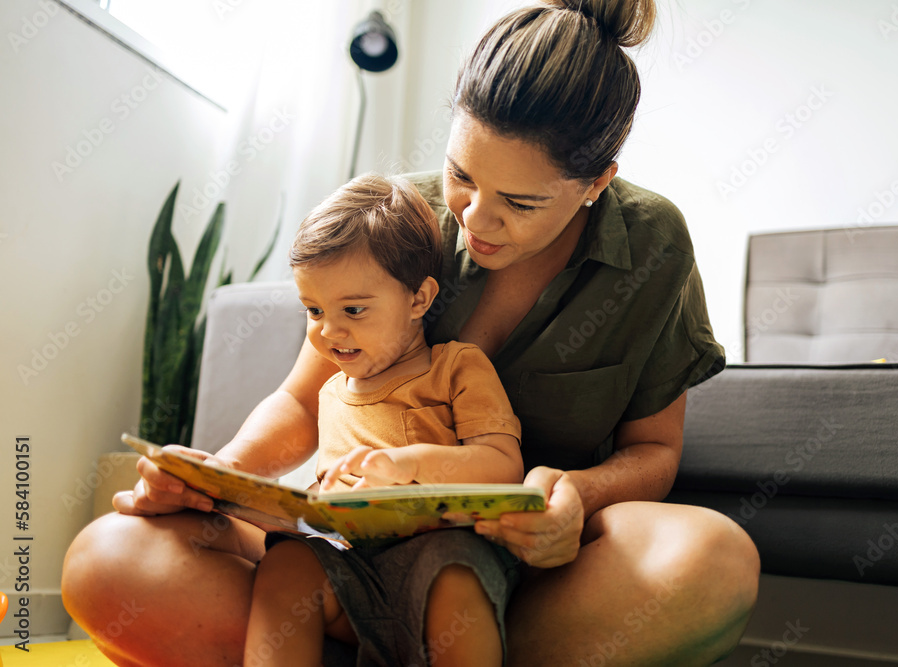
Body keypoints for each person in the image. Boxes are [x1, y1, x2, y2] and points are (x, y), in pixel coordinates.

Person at [62, 1, 760, 665]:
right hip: (348, 562)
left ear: (597, 182)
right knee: (107, 561)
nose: (476, 220)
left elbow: (654, 450)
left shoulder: (653, 244)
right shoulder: (399, 220)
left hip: (535, 575)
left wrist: (577, 494)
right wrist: (219, 473)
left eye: (520, 203)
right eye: (462, 175)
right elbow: (305, 400)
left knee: (712, 561)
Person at [244, 173, 524, 667]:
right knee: (286, 563)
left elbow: (504, 466)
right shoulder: (330, 392)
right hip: (349, 567)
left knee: (453, 574)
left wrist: (405, 464)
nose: (330, 331)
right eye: (313, 310)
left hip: (444, 554)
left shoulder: (457, 367)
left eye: (353, 309)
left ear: (419, 299)